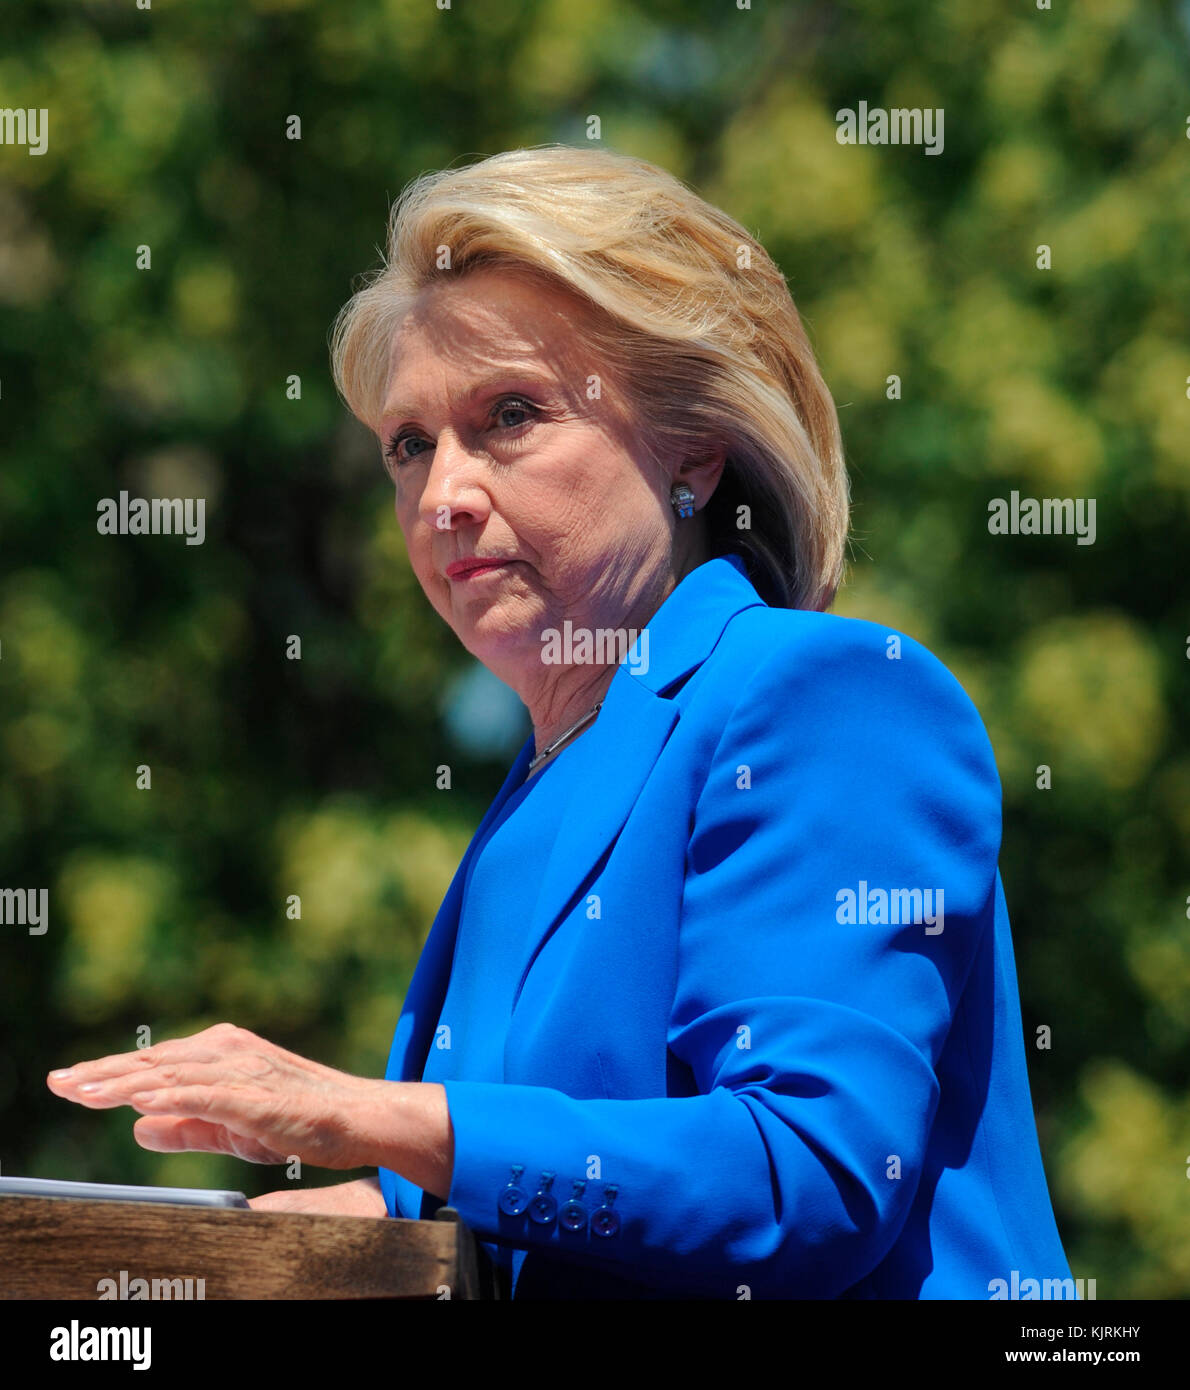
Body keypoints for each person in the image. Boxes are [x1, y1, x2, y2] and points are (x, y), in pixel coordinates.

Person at [47, 144, 1072, 1300]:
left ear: (692, 448)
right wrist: (163, 1258)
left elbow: (809, 1173)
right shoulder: (539, 791)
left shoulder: (825, 694)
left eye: (510, 416)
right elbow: (494, 1212)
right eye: (409, 445)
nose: (443, 496)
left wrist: (366, 1113)